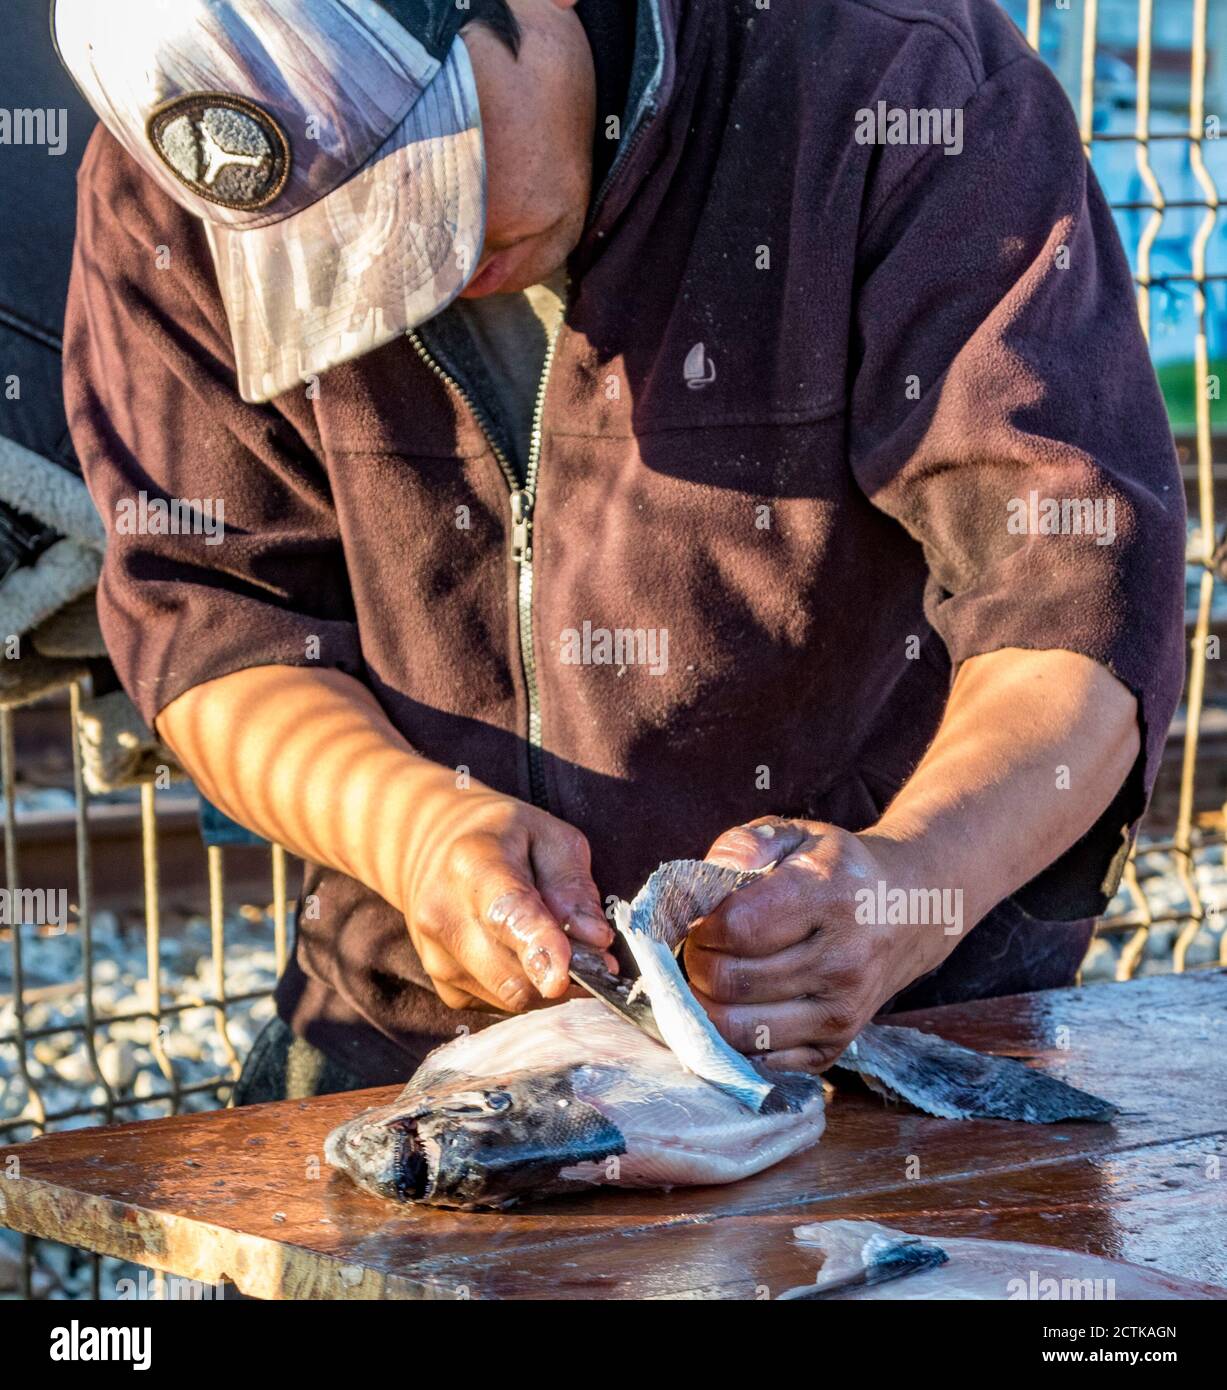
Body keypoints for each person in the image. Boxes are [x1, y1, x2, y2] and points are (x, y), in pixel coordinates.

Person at [57, 0, 1186, 1101]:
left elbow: (1074, 592)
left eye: (427, 174)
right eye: (335, 236)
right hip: (410, 1064)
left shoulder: (890, 80)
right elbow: (216, 620)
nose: (421, 267)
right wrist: (411, 830)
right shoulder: (181, 163)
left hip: (900, 1057)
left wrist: (907, 885)